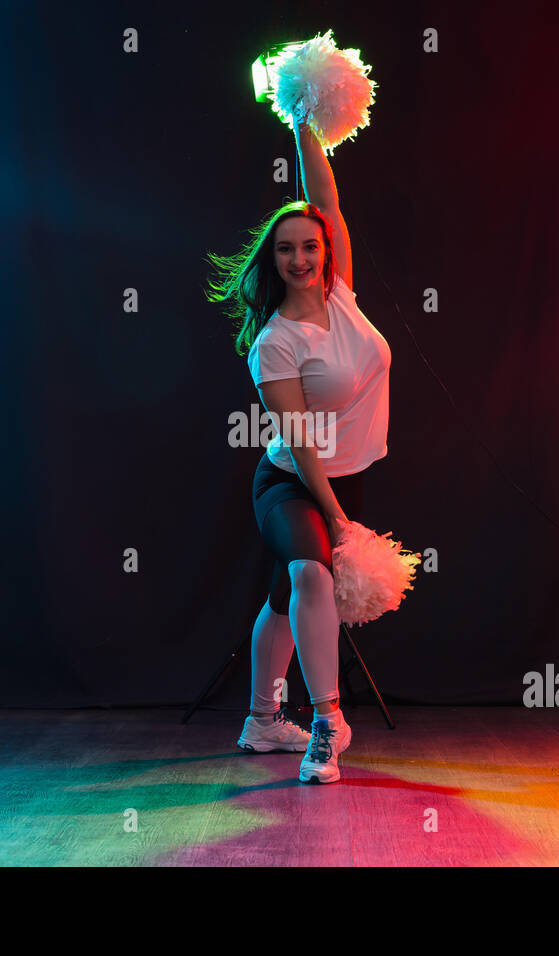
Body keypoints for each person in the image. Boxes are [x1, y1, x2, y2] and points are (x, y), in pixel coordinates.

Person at [204, 121, 391, 784]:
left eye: (310, 246)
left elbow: (325, 198)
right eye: (286, 250)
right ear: (272, 259)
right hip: (292, 481)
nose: (301, 259)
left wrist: (303, 117)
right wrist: (338, 518)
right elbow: (303, 442)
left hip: (352, 474)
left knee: (287, 599)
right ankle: (326, 722)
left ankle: (261, 720)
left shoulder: (342, 297)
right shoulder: (275, 343)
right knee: (312, 578)